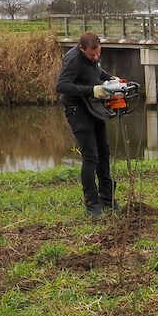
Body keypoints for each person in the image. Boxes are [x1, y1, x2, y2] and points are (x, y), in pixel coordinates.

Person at [55, 32, 120, 217]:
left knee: (104, 152)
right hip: (77, 109)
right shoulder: (73, 60)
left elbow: (95, 71)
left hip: (93, 106)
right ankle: (92, 204)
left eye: (98, 54)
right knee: (91, 156)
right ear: (81, 48)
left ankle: (107, 197)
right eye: (92, 55)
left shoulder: (92, 57)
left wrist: (111, 78)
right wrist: (92, 90)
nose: (96, 57)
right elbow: (61, 86)